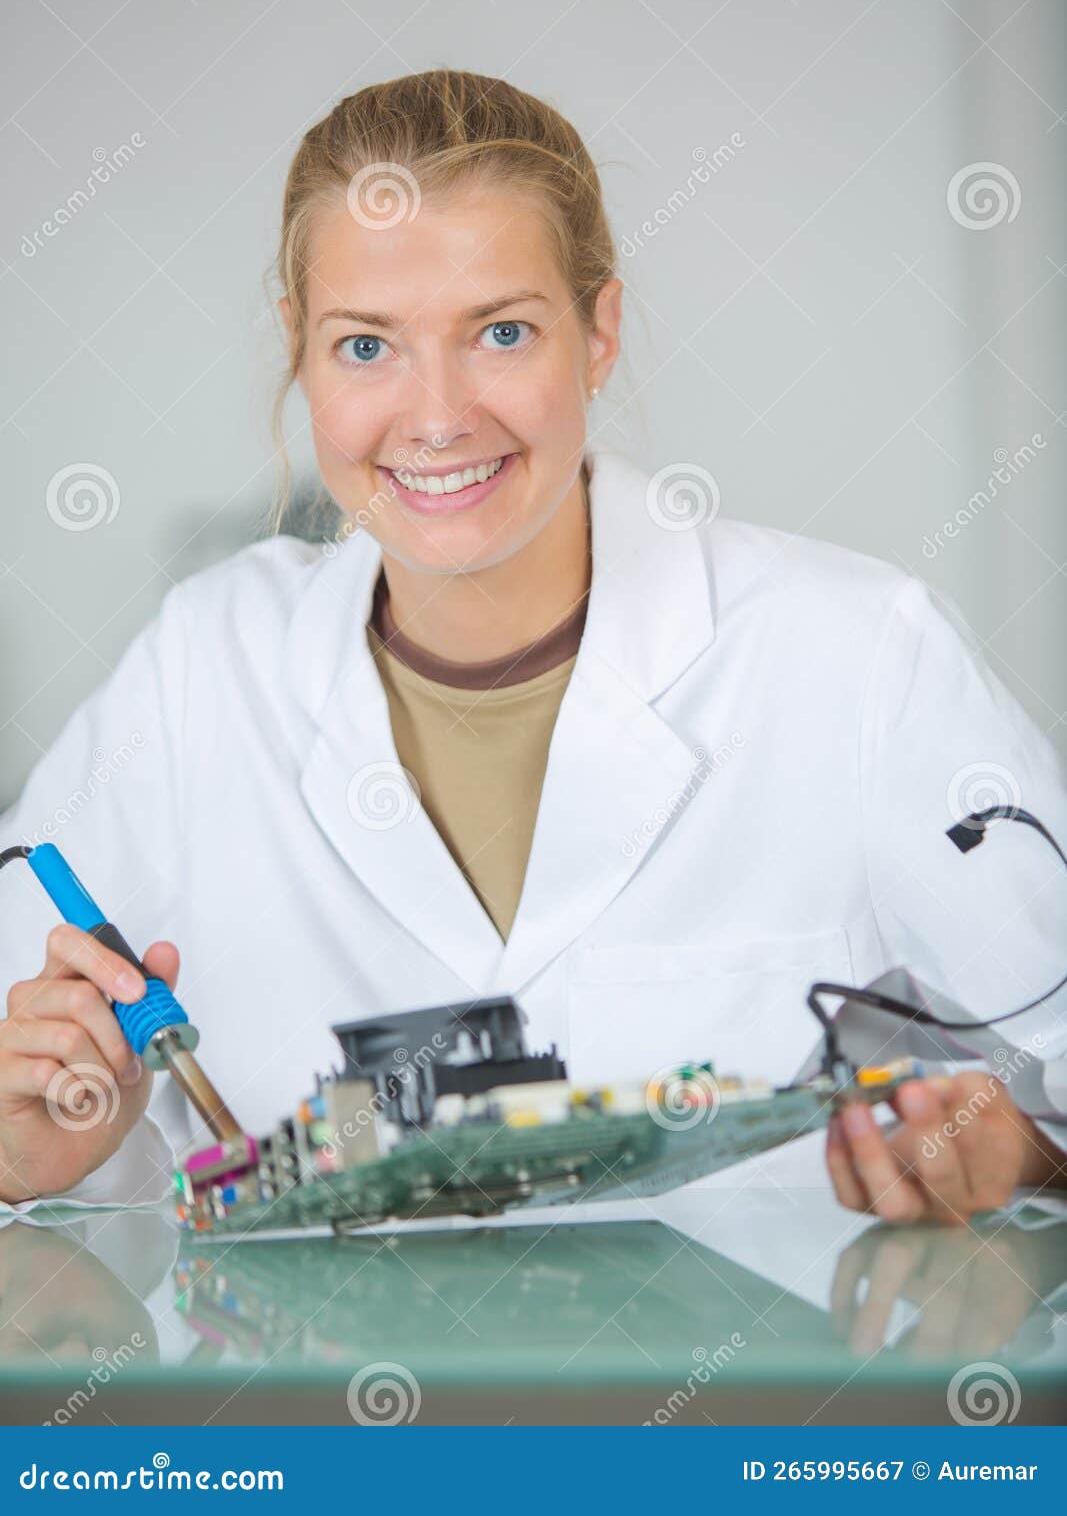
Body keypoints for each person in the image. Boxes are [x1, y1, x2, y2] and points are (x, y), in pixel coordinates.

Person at [1, 70, 1064, 1225]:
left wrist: (1015, 1155)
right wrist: (37, 1152)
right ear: (298, 350)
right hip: (297, 1406)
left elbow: (1044, 1097)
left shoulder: (852, 655)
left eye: (500, 332)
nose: (438, 415)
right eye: (365, 347)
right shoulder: (203, 666)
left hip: (761, 1406)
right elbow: (45, 1107)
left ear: (597, 333)